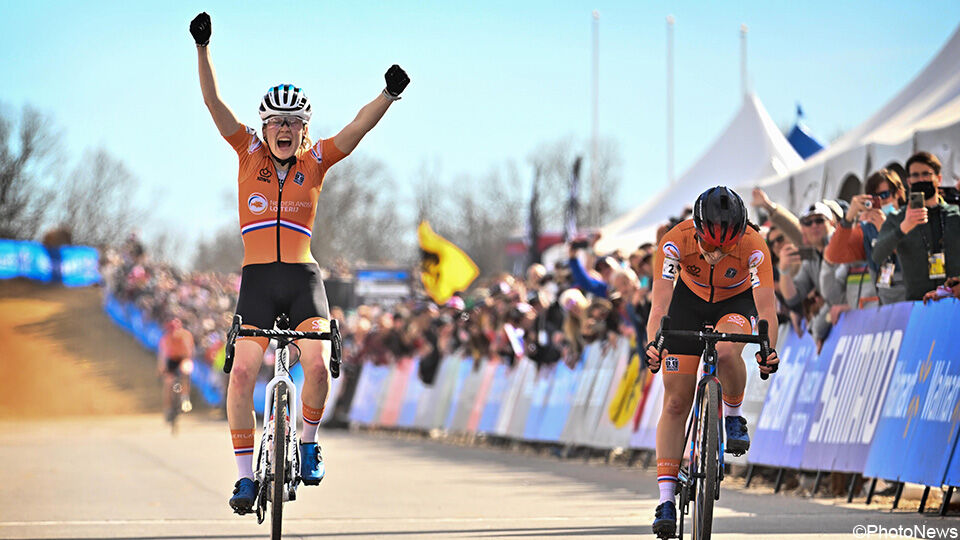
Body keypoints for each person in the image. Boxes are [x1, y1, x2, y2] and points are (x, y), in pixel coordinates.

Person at [189, 12, 410, 514]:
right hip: (258, 283)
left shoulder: (316, 159)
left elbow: (356, 129)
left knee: (316, 362)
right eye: (276, 122)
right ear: (264, 127)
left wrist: (388, 97)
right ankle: (245, 478)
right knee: (242, 374)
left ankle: (308, 443)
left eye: (292, 123)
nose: (284, 130)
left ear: (304, 128)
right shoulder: (246, 151)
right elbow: (213, 104)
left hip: (304, 280)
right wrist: (203, 49)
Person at [643, 186, 779, 538]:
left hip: (735, 304)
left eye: (726, 246)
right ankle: (666, 499)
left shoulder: (754, 246)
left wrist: (768, 350)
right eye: (710, 245)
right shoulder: (675, 241)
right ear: (697, 231)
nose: (717, 253)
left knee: (727, 350)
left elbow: (766, 309)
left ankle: (733, 418)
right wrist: (654, 343)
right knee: (675, 402)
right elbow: (660, 304)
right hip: (687, 303)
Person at [873, 152, 960, 301]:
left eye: (926, 174)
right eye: (915, 175)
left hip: (955, 303)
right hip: (918, 305)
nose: (920, 179)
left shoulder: (955, 214)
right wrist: (904, 227)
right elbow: (877, 255)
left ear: (938, 179)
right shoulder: (898, 218)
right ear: (908, 181)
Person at [825, 168, 907, 305]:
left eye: (884, 195)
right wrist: (849, 217)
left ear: (898, 194)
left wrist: (885, 230)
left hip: (914, 302)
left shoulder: (910, 219)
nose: (880, 202)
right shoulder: (867, 229)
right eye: (875, 197)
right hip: (887, 307)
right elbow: (834, 255)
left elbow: (913, 256)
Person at [157, 318, 195, 416]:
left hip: (183, 358)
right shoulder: (165, 338)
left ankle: (185, 398)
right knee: (168, 382)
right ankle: (168, 407)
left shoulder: (186, 335)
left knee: (185, 374)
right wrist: (161, 369)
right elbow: (163, 356)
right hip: (171, 360)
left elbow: (189, 351)